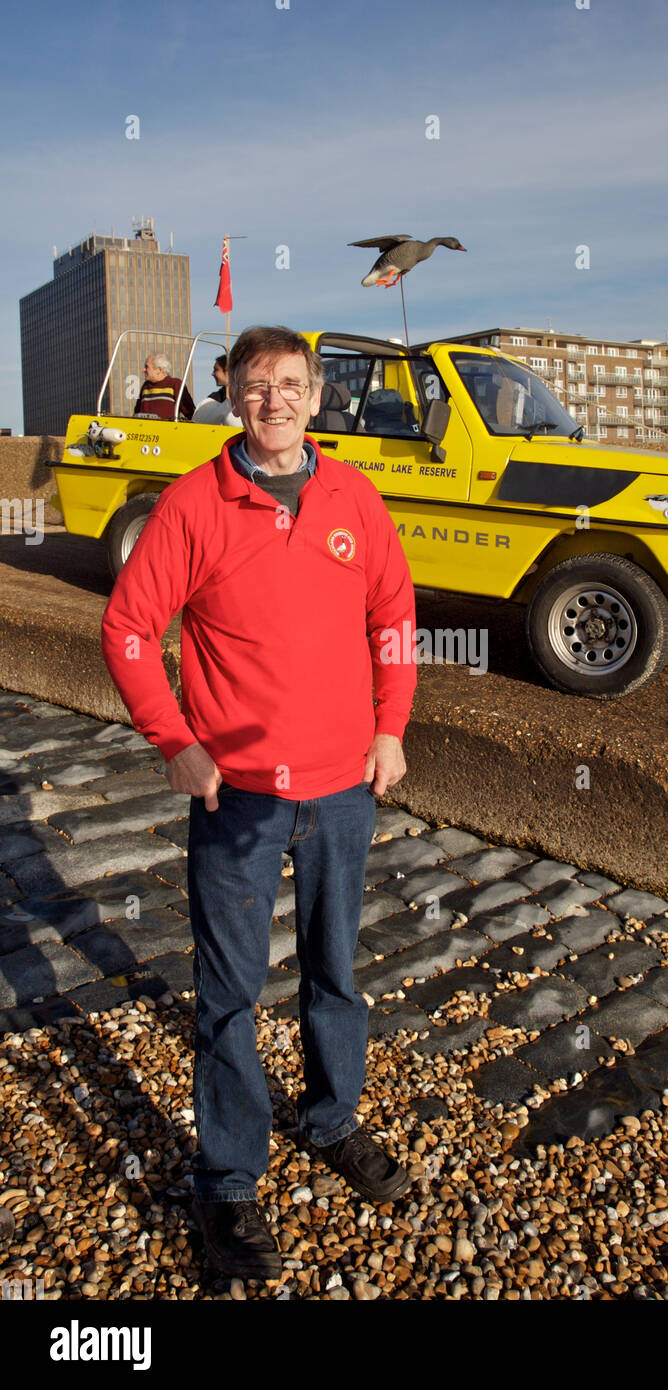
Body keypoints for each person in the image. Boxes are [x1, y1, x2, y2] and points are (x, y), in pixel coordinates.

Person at [101, 324, 418, 1282]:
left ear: (315, 396)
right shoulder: (196, 504)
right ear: (230, 396)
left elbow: (394, 615)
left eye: (289, 384)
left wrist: (391, 725)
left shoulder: (351, 495)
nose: (272, 400)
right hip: (236, 797)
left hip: (343, 792)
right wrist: (176, 742)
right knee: (230, 997)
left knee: (334, 974)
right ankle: (230, 1181)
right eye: (254, 385)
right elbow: (125, 629)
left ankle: (331, 1122)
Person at [133, 353, 196, 420]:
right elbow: (136, 413)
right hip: (144, 429)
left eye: (147, 367)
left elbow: (190, 412)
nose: (143, 370)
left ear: (159, 370)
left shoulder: (175, 384)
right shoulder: (145, 386)